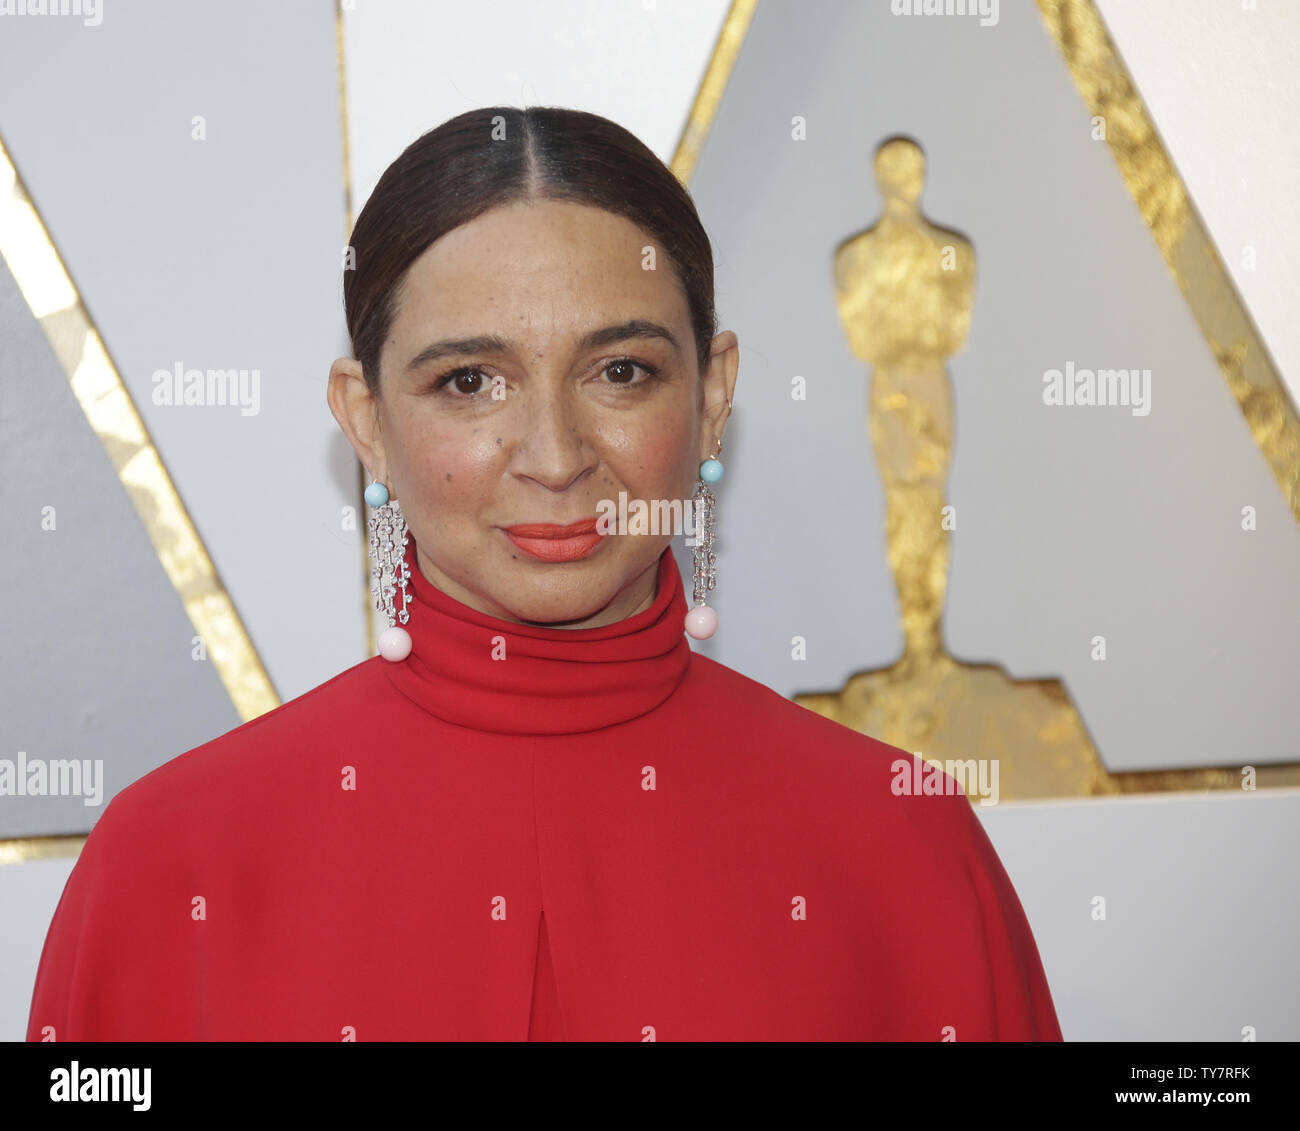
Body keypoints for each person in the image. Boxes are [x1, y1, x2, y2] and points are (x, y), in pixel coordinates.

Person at [27, 106, 1062, 1041]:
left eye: (621, 372)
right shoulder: (173, 867)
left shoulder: (899, 843)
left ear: (710, 398)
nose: (556, 454)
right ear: (365, 421)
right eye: (470, 382)